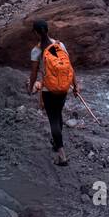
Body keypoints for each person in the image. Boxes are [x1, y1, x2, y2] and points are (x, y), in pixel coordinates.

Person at [29, 20, 76, 165]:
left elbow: (34, 73)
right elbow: (69, 66)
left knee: (53, 120)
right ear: (48, 30)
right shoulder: (59, 45)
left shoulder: (37, 51)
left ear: (36, 33)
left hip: (49, 90)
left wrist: (31, 87)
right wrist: (75, 84)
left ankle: (62, 156)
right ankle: (56, 143)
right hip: (63, 87)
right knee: (58, 114)